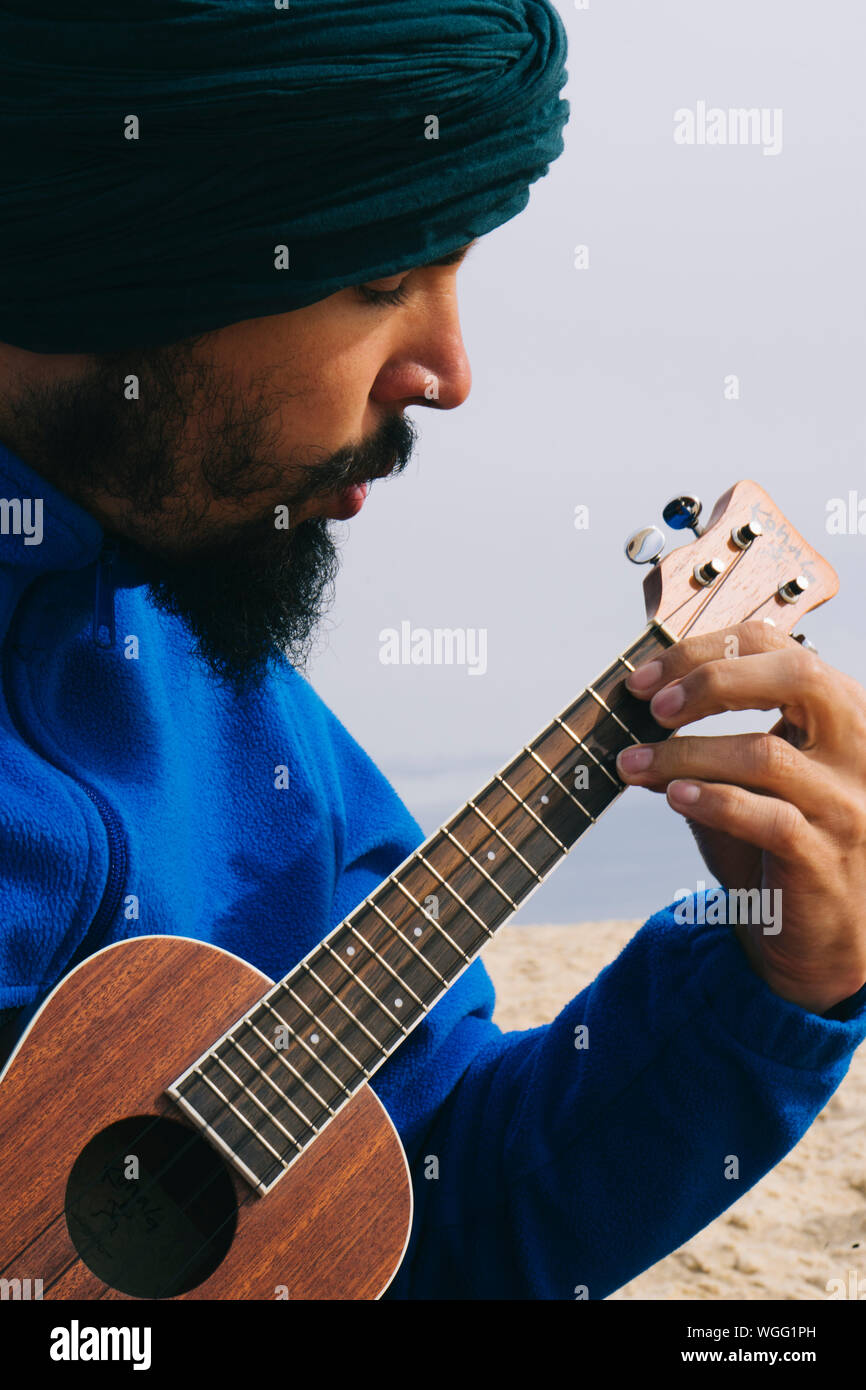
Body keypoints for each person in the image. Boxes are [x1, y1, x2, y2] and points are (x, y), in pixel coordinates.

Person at [1, 0, 865, 1301]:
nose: (450, 372)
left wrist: (775, 983)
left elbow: (431, 1197)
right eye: (381, 279)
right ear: (137, 250)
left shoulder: (259, 738)